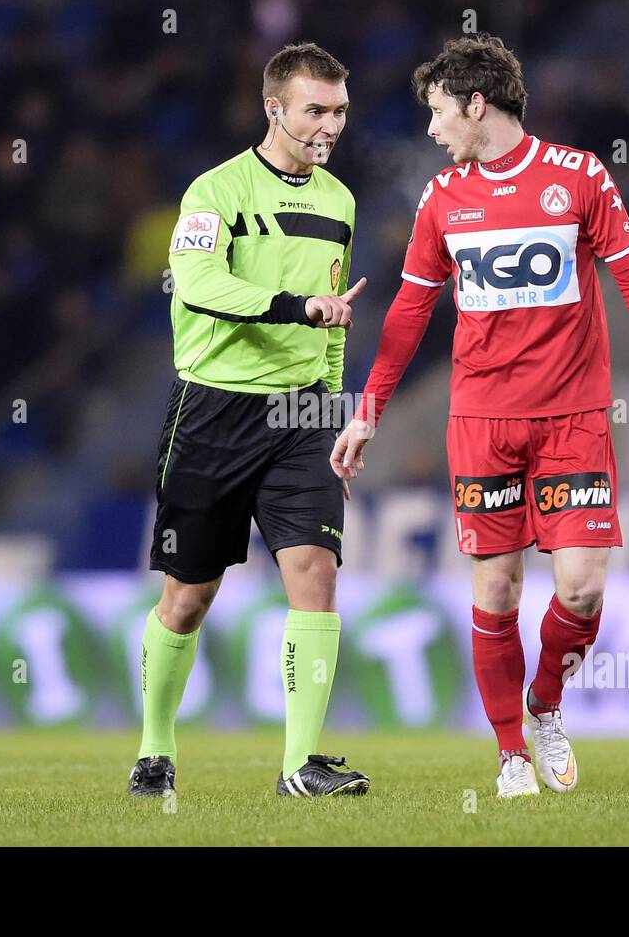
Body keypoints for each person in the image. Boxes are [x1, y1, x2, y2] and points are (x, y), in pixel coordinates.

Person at [332, 36, 629, 797]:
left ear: (475, 103)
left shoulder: (578, 176)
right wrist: (366, 412)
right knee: (495, 589)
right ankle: (508, 753)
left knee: (583, 586)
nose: (431, 131)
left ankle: (546, 704)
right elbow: (408, 312)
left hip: (573, 417)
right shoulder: (441, 200)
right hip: (483, 422)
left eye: (436, 113)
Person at [129, 42, 370, 798]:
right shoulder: (216, 190)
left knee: (314, 575)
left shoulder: (340, 201)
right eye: (315, 110)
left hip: (302, 415)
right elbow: (198, 283)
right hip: (214, 406)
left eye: (338, 109)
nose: (330, 124)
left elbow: (337, 316)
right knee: (187, 597)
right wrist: (295, 308)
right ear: (275, 110)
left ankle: (300, 763)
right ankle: (154, 748)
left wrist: (335, 406)